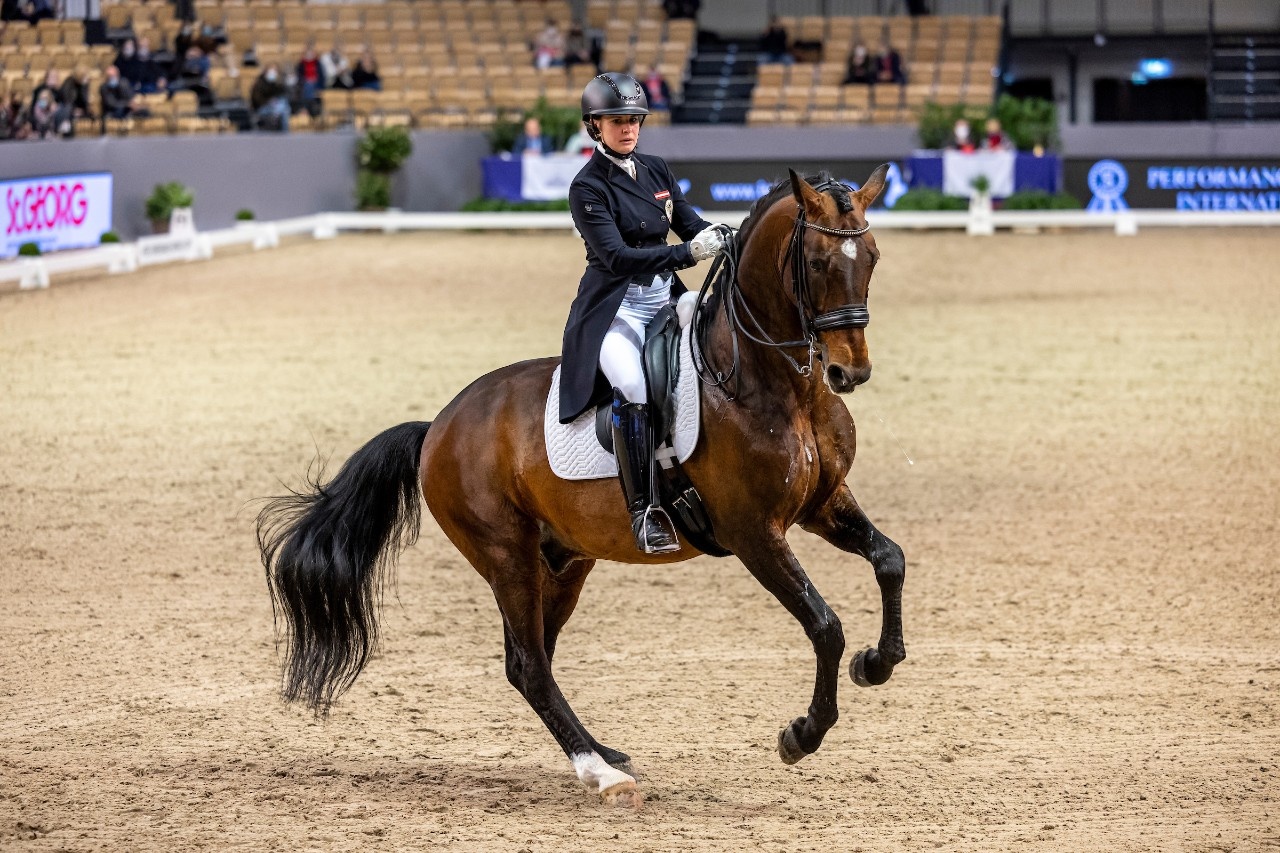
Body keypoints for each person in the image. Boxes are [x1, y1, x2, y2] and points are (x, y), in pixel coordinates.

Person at [560, 72, 728, 554]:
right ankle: (645, 510)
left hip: (665, 298)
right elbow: (616, 258)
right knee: (632, 386)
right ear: (595, 126)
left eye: (634, 119)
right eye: (617, 121)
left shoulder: (655, 167)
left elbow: (689, 223)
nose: (628, 128)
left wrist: (729, 234)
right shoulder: (587, 187)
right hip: (617, 308)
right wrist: (687, 254)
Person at [250, 62, 290, 131]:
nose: (273, 73)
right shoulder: (259, 82)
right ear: (266, 71)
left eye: (275, 70)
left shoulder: (278, 83)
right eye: (271, 70)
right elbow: (257, 99)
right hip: (262, 107)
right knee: (281, 108)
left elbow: (284, 94)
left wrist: (278, 83)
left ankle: (285, 132)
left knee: (284, 106)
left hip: (276, 106)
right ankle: (276, 118)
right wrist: (269, 101)